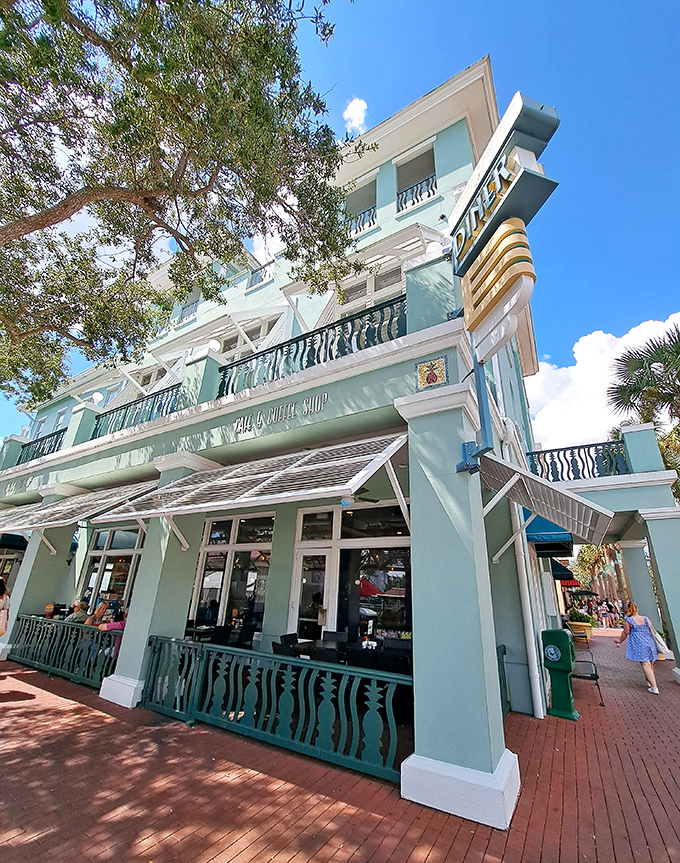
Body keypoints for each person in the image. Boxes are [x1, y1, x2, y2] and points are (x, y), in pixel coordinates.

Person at [615, 601, 660, 694]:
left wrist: (620, 641)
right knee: (650, 663)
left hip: (639, 643)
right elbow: (651, 629)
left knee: (645, 664)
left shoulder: (628, 620)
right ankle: (649, 681)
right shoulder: (646, 619)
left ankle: (654, 687)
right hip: (650, 642)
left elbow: (626, 632)